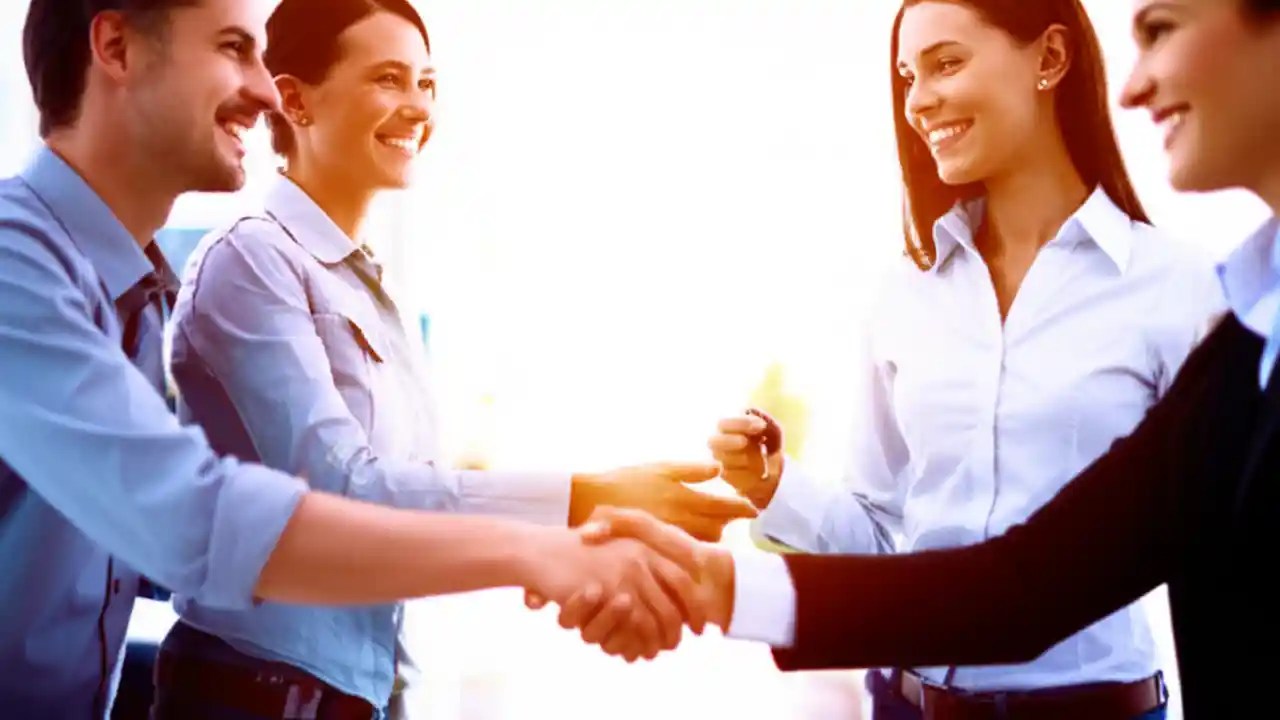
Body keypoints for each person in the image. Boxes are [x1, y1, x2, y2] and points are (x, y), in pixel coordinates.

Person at [558, 1, 1280, 718]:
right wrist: (766, 507)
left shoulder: (1197, 297)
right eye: (908, 75)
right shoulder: (907, 297)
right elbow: (991, 577)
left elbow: (1044, 583)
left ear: (1050, 60)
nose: (918, 101)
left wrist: (717, 586)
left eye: (947, 63)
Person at [0, 1, 704, 716]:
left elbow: (122, 549)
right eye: (234, 49)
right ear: (116, 48)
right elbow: (195, 515)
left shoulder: (136, 295)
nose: (268, 90)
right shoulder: (14, 264)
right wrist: (540, 548)